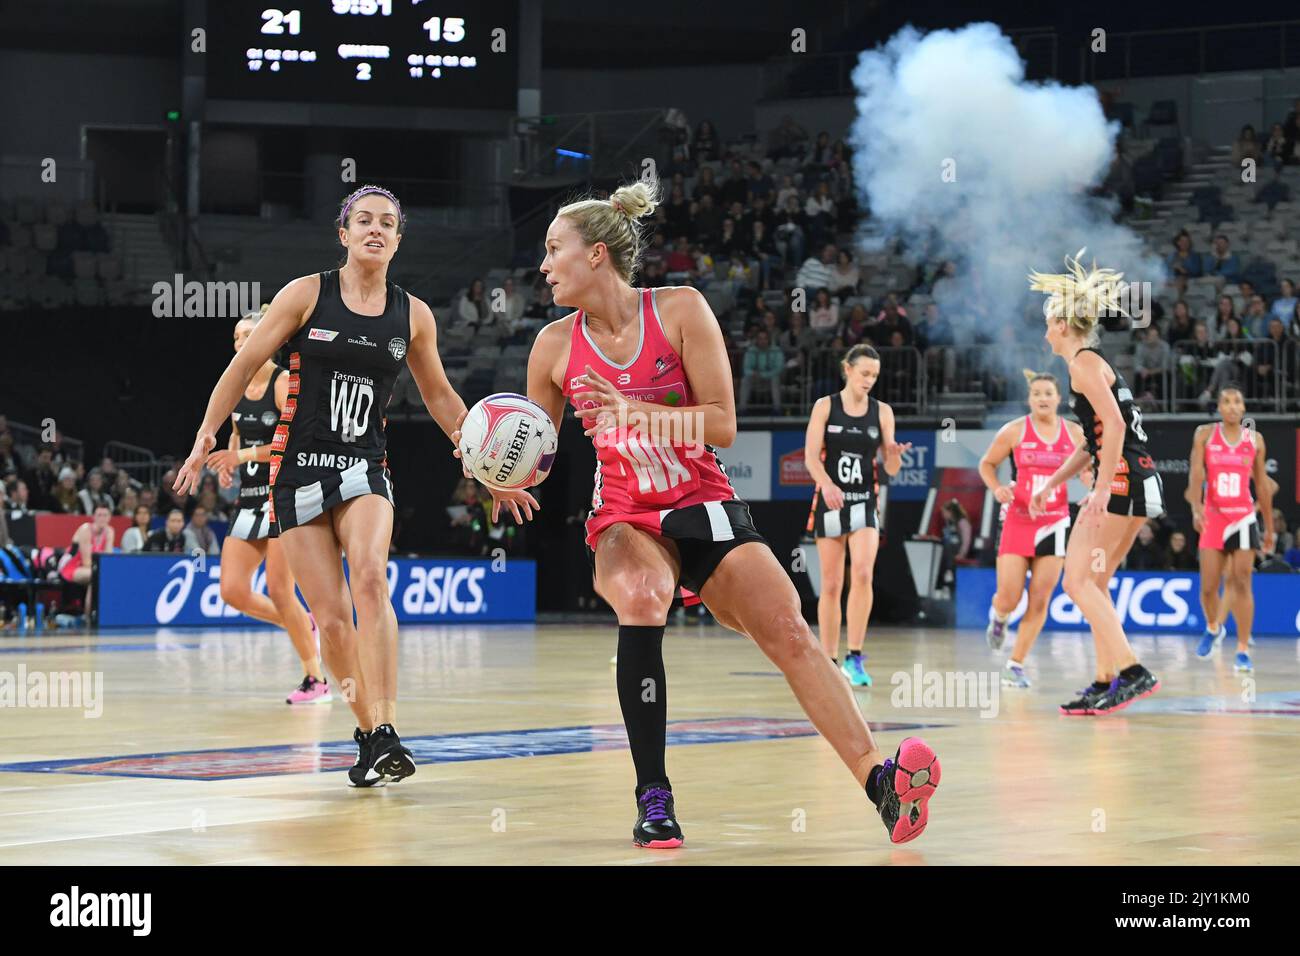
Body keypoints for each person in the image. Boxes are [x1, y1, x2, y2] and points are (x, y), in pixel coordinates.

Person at [521, 179, 940, 848]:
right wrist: (501, 475)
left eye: (552, 249)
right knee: (642, 591)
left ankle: (881, 783)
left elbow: (722, 426)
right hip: (626, 512)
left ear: (597, 254)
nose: (543, 265)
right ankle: (653, 795)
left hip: (701, 499)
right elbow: (533, 453)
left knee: (791, 632)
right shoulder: (551, 347)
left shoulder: (682, 309)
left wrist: (638, 413)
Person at [175, 184, 536, 787]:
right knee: (333, 618)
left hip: (363, 466)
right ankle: (368, 732)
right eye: (363, 220)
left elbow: (442, 397)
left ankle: (390, 725)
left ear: (398, 239)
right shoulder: (304, 294)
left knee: (370, 576)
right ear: (343, 235)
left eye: (387, 223)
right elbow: (240, 369)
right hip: (295, 473)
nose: (375, 229)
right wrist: (206, 436)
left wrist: (488, 467)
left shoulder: (413, 313)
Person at [1028, 249, 1163, 716]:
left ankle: (1131, 671)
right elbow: (1095, 438)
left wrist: (1101, 488)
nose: (1045, 331)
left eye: (1048, 321)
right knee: (1096, 583)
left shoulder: (1082, 364)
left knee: (1076, 582)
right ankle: (1106, 679)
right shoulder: (1091, 363)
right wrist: (1052, 482)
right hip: (1139, 478)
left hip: (1123, 480)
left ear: (1062, 324)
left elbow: (1115, 428)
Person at [202, 309, 327, 704]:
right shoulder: (237, 386)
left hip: (282, 494)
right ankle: (302, 624)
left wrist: (241, 457)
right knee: (232, 591)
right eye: (237, 337)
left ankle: (316, 679)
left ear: (270, 341)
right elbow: (238, 431)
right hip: (250, 497)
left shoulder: (283, 380)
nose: (242, 343)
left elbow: (294, 442)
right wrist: (230, 461)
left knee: (279, 589)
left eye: (250, 336)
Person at [803, 344, 910, 687]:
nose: (869, 380)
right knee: (832, 583)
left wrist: (893, 455)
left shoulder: (882, 412)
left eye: (874, 376)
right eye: (864, 373)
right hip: (832, 501)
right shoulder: (825, 407)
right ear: (847, 370)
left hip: (864, 500)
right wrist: (826, 484)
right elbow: (810, 458)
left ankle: (855, 657)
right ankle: (829, 660)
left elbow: (890, 468)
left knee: (862, 574)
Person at [978, 371, 1086, 688]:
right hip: (1018, 519)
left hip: (1054, 520)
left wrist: (1089, 478)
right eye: (1036, 393)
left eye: (1048, 393)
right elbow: (986, 464)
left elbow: (1088, 465)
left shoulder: (1075, 434)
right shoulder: (1014, 432)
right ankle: (999, 617)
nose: (1042, 398)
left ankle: (1016, 664)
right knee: (1010, 597)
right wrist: (997, 487)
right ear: (1029, 399)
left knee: (1040, 599)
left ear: (1058, 398)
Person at [1186, 386, 1274, 673]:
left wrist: (1269, 528)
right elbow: (1196, 474)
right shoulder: (1204, 434)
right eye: (1227, 401)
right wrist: (1196, 507)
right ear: (1219, 407)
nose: (1233, 406)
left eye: (1237, 401)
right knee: (1209, 588)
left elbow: (1262, 486)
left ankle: (1243, 648)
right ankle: (1214, 628)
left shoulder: (1255, 440)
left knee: (1242, 581)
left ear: (1244, 407)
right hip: (1213, 517)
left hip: (1243, 518)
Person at [60, 504, 114, 612]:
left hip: (93, 569)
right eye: (99, 515)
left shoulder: (110, 532)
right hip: (72, 567)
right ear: (93, 517)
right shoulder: (85, 530)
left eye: (105, 515)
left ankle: (104, 613)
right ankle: (90, 616)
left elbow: (108, 559)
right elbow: (86, 562)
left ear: (109, 517)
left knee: (102, 575)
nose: (102, 518)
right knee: (95, 576)